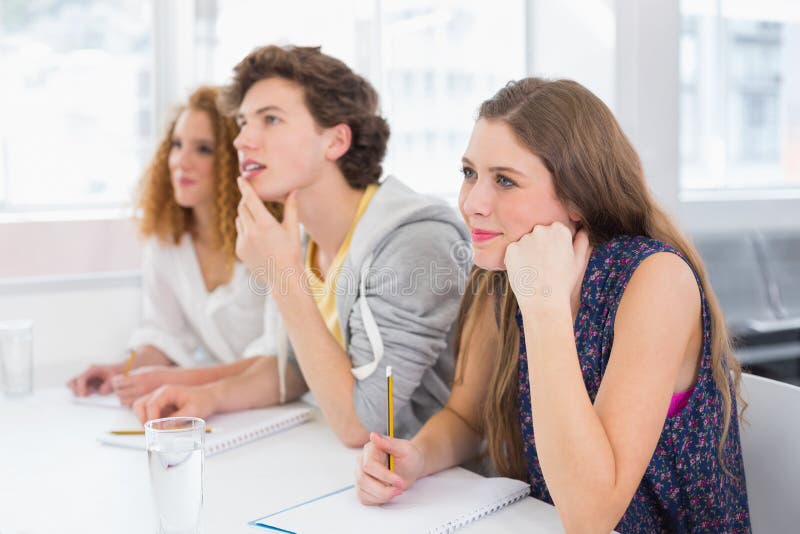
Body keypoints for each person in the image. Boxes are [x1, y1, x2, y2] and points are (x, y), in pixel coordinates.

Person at [354, 78, 751, 532]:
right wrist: (417, 457)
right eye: (469, 173)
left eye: (505, 180)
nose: (472, 203)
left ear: (577, 198)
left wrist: (544, 307)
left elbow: (591, 514)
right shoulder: (502, 269)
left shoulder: (654, 279)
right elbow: (467, 415)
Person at [132, 45, 469, 447]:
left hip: (447, 486)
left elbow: (363, 425)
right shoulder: (306, 237)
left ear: (335, 141)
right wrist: (209, 397)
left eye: (270, 119)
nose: (242, 140)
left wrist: (282, 275)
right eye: (242, 122)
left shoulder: (414, 241)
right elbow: (295, 367)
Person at [68, 86, 285, 407]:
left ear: (235, 160)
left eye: (203, 149)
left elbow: (279, 359)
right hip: (228, 408)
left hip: (286, 407)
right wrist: (122, 371)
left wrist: (175, 381)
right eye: (177, 144)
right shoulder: (167, 242)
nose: (181, 161)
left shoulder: (271, 237)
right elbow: (165, 333)